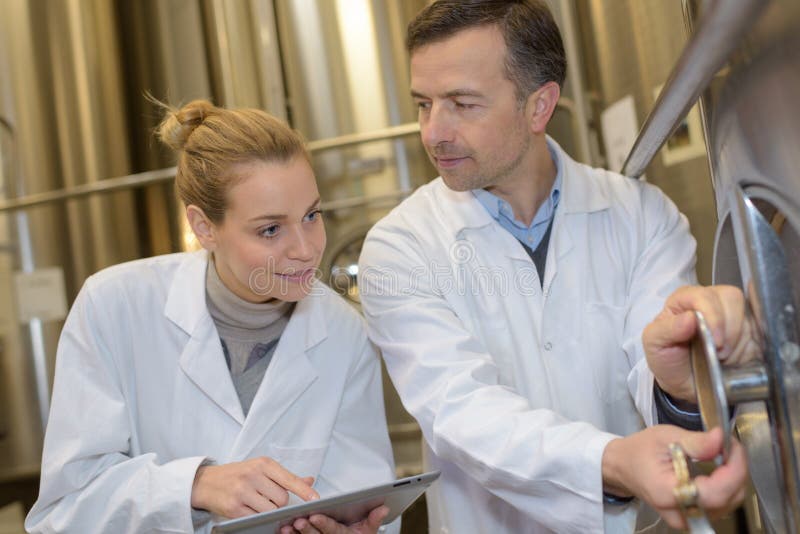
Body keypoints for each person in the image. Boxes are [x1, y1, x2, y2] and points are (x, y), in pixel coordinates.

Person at [357, 1, 754, 532]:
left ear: (540, 105)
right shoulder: (400, 247)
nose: (433, 132)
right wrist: (610, 463)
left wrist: (682, 384)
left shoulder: (642, 217)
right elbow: (463, 411)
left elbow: (658, 376)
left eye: (462, 103)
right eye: (424, 104)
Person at [25, 100, 398, 534]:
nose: (306, 248)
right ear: (203, 227)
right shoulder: (114, 306)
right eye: (270, 230)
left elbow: (368, 497)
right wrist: (194, 486)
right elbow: (65, 509)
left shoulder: (344, 332)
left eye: (312, 215)